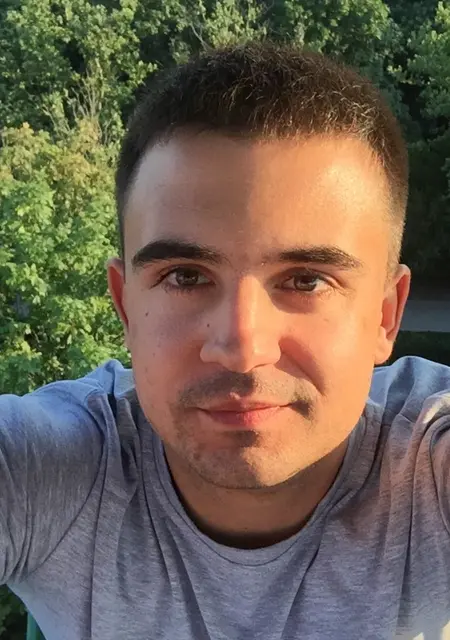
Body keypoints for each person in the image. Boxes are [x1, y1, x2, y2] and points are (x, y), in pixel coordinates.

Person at [1, 41, 450, 640]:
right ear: (126, 305)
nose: (242, 348)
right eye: (185, 277)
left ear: (385, 316)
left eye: (306, 280)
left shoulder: (430, 466)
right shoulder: (49, 468)